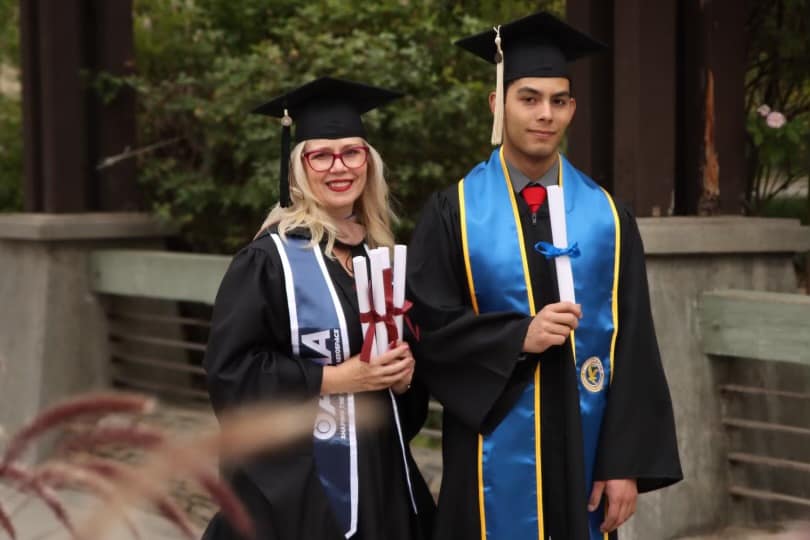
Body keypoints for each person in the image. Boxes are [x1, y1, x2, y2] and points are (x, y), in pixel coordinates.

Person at [407, 12, 682, 540]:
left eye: (558, 101)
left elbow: (635, 343)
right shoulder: (454, 213)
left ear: (572, 109)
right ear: (497, 104)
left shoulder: (607, 218)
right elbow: (427, 324)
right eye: (528, 98)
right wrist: (516, 337)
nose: (545, 114)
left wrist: (623, 462)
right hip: (490, 444)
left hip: (584, 444)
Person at [202, 77, 434, 540]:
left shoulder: (377, 256)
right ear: (298, 168)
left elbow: (399, 388)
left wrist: (405, 378)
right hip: (296, 488)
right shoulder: (270, 260)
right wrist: (336, 378)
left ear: (369, 162)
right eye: (321, 155)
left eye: (352, 152)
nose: (339, 167)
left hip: (380, 477)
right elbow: (230, 374)